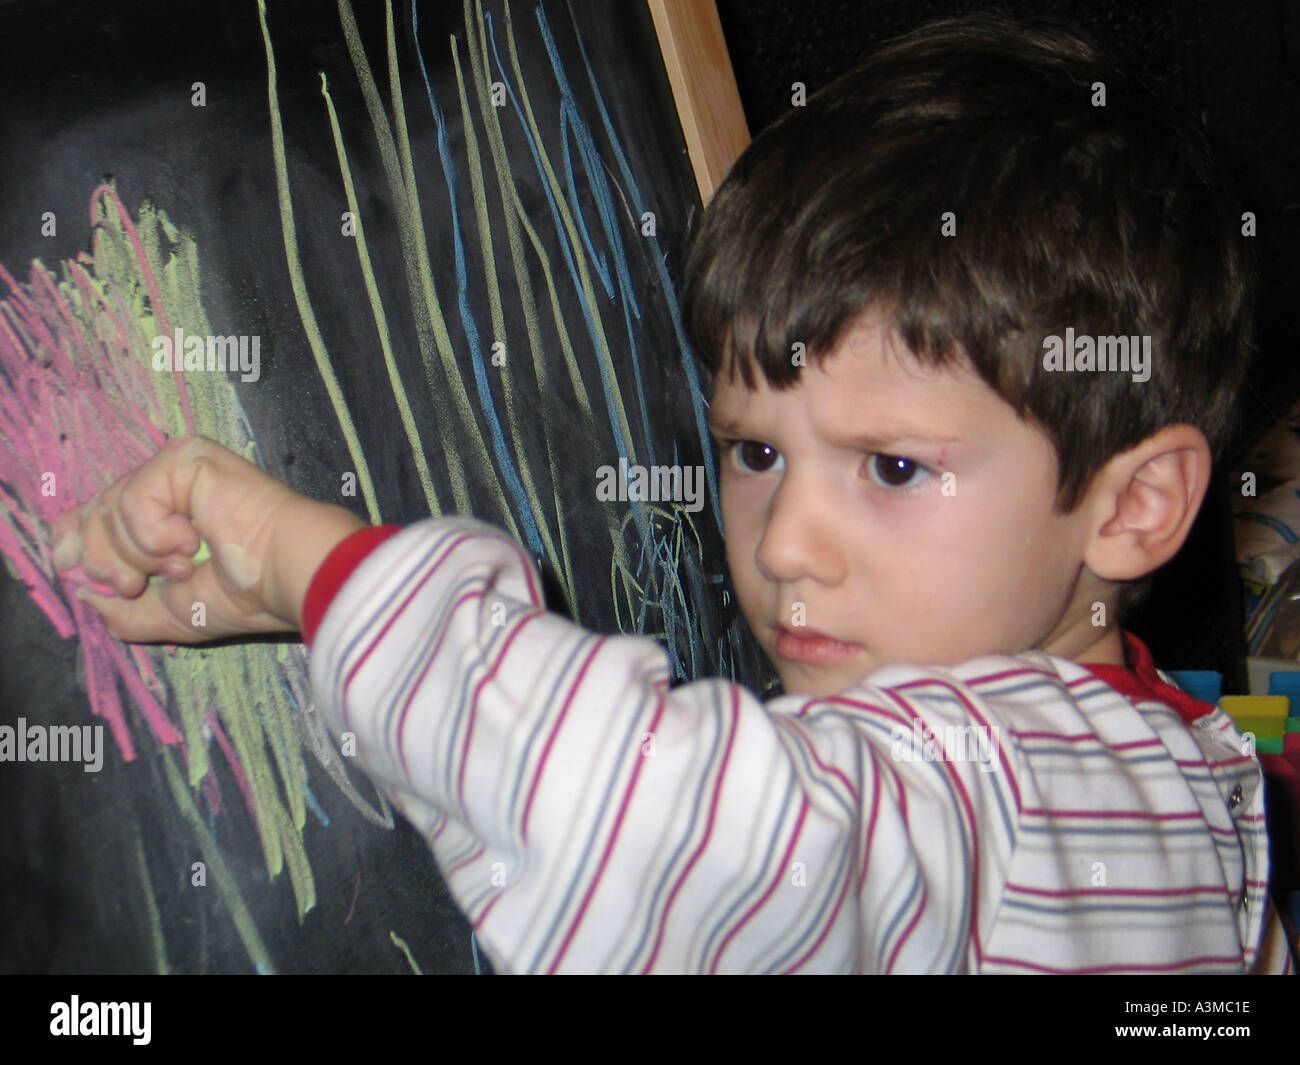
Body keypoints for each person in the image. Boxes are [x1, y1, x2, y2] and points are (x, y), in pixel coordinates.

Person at [51, 13, 1294, 973]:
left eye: (893, 468)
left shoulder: (1019, 792)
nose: (786, 543)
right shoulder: (1178, 776)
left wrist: (309, 565)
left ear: (1134, 506)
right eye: (755, 453)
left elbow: (654, 822)